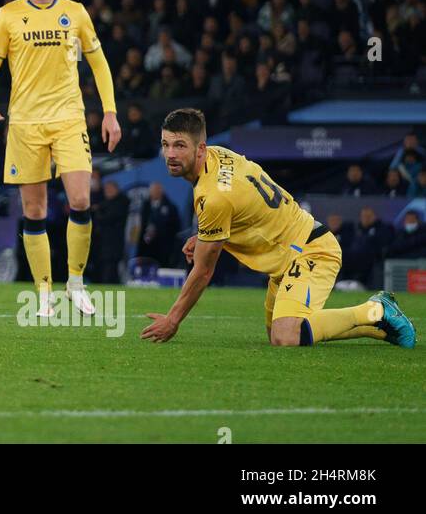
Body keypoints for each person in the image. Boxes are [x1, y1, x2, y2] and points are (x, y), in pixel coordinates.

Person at [142, 108, 415, 347]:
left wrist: (173, 320)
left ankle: (376, 311)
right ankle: (380, 327)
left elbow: (203, 271)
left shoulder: (214, 196)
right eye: (165, 145)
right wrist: (204, 236)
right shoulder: (219, 155)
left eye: (179, 145)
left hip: (310, 252)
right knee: (278, 333)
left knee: (287, 336)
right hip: (285, 258)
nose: (170, 154)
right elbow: (242, 207)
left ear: (200, 148)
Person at [0, 0, 121, 317]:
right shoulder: (8, 15)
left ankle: (75, 281)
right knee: (35, 210)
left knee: (80, 200)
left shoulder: (75, 13)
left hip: (69, 119)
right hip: (25, 124)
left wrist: (109, 112)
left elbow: (100, 64)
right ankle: (44, 292)